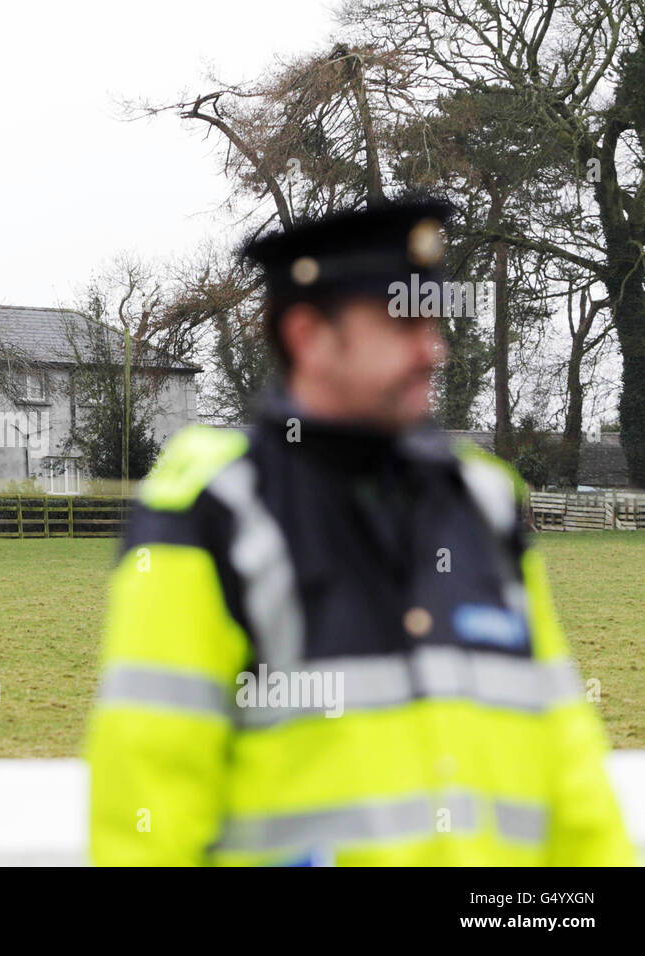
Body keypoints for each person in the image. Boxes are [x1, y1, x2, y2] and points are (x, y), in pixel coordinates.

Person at [84, 199, 636, 866]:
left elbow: (570, 769)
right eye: (402, 323)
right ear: (310, 336)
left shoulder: (484, 506)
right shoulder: (213, 516)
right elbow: (147, 817)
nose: (434, 349)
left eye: (433, 322)